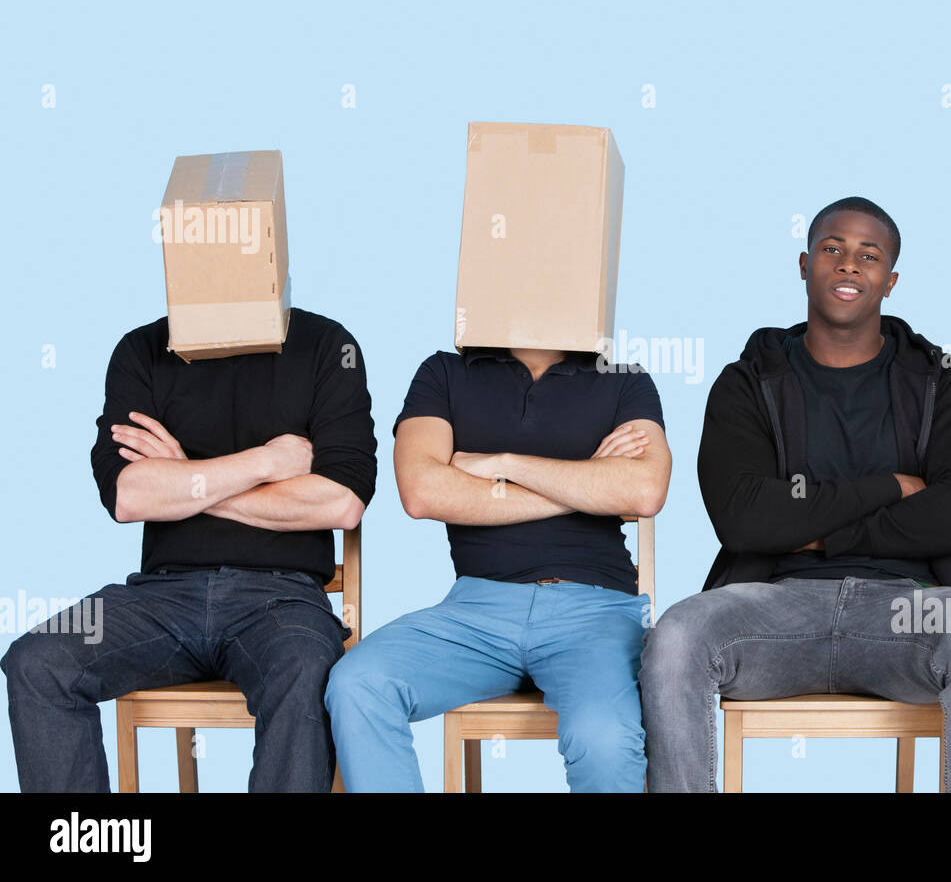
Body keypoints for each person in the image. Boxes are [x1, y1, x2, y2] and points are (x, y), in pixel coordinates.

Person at [639, 196, 951, 792]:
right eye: (832, 249)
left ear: (889, 281)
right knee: (677, 636)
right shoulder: (749, 380)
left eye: (868, 256)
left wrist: (825, 529)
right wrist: (889, 486)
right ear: (804, 264)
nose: (849, 265)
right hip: (772, 605)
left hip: (909, 604)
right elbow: (743, 519)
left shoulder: (938, 377)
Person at [1, 308, 377, 792]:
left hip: (282, 600)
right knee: (38, 662)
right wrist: (268, 462)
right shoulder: (142, 349)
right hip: (159, 599)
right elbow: (128, 496)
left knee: (305, 671)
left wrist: (188, 478)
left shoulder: (328, 346)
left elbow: (342, 503)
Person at [325, 344, 670, 792]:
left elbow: (643, 490)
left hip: (595, 611)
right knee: (357, 684)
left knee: (604, 738)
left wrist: (501, 465)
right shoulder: (444, 372)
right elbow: (421, 491)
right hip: (474, 612)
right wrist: (587, 480)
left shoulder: (623, 376)